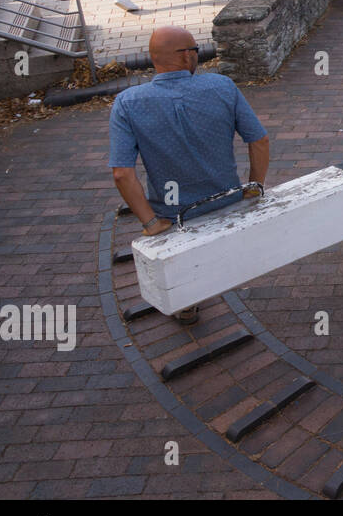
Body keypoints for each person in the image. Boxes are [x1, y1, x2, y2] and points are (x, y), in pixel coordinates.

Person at [109, 25, 269, 318]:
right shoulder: (221, 86)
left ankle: (186, 302)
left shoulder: (128, 103)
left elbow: (122, 173)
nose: (197, 55)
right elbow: (258, 140)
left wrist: (151, 221)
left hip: (174, 212)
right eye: (195, 50)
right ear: (185, 57)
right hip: (226, 200)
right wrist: (254, 185)